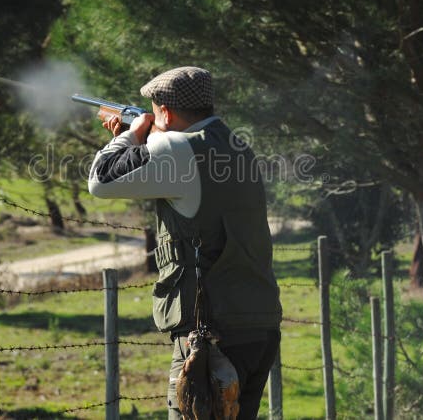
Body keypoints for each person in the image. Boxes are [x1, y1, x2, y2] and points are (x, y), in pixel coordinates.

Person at [87, 66, 282, 419]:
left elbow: (100, 180)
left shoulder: (176, 148)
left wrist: (130, 136)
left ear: (165, 112)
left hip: (211, 338)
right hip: (258, 325)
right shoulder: (236, 145)